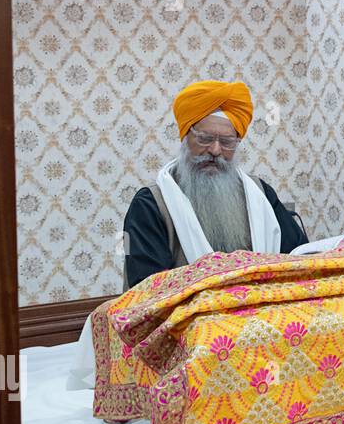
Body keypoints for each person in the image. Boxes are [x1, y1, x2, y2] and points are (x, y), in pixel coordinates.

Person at [122, 79, 307, 287]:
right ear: (185, 137)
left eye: (227, 142)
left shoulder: (261, 194)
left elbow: (299, 259)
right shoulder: (150, 204)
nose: (215, 150)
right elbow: (146, 288)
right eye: (205, 138)